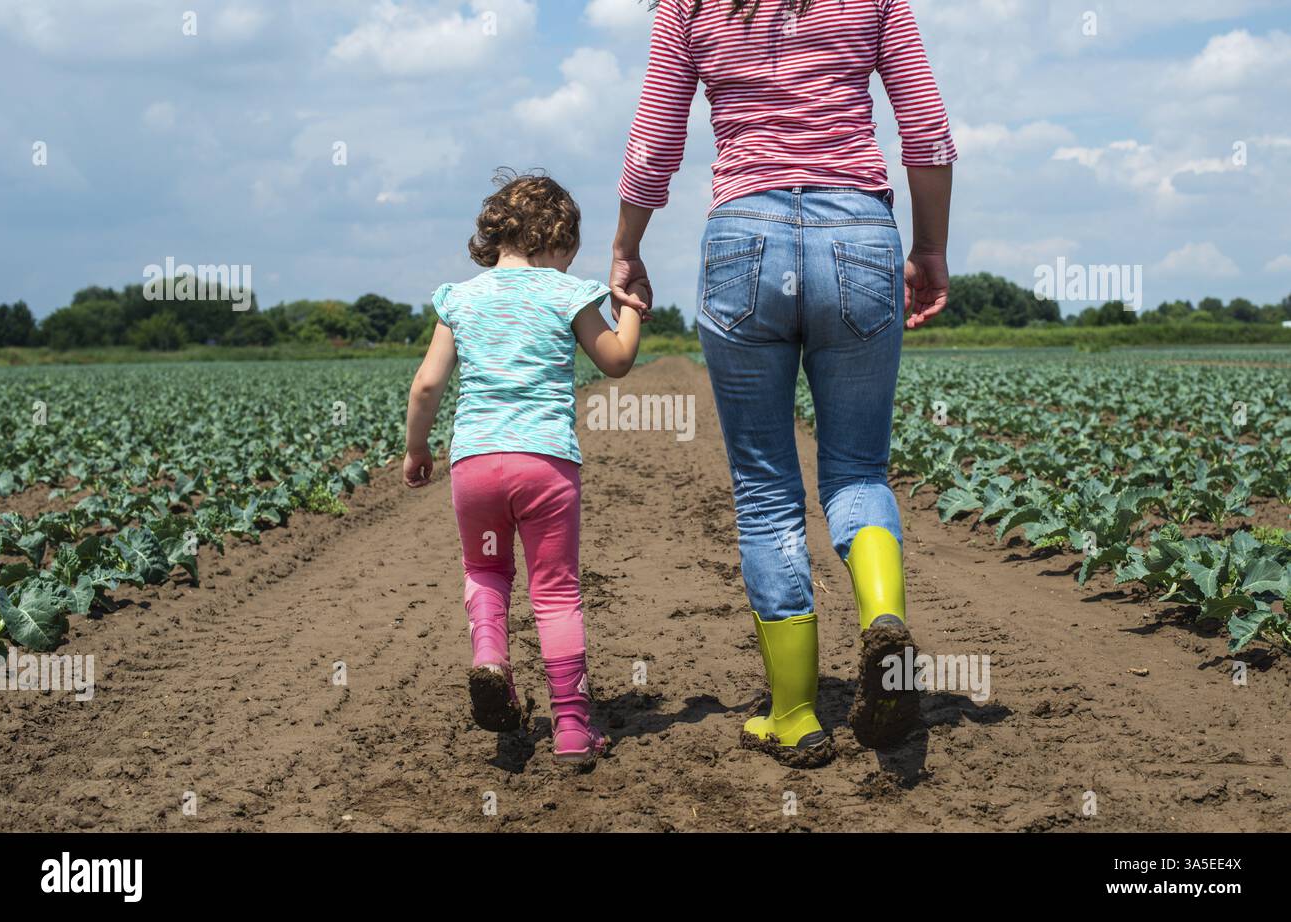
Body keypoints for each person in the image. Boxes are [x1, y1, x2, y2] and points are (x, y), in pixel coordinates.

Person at [611, 0, 956, 755]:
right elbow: (926, 129)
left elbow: (654, 140)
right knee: (859, 470)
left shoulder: (689, 6)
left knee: (767, 490)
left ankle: (796, 715)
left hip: (744, 240)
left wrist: (626, 247)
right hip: (859, 235)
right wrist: (930, 247)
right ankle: (881, 626)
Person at [404, 170, 649, 765]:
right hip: (545, 465)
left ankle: (490, 662)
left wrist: (417, 450)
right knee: (556, 591)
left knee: (486, 570)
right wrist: (632, 308)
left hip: (476, 466)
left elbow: (428, 385)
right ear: (560, 240)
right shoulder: (566, 294)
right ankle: (571, 727)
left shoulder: (459, 298)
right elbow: (615, 361)